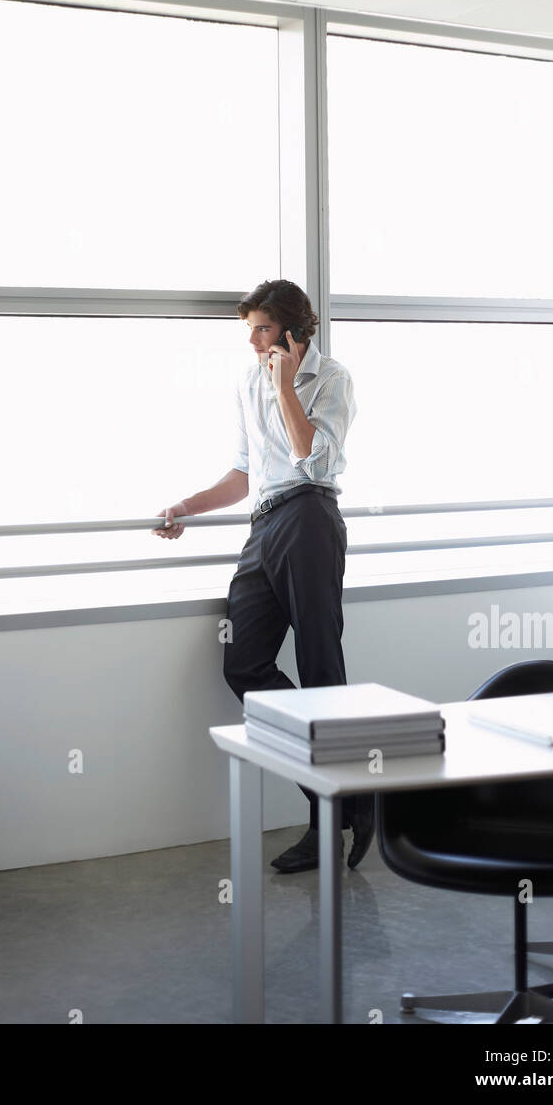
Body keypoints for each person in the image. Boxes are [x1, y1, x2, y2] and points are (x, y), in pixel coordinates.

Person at [152, 278, 375, 873]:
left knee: (322, 666)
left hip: (309, 515)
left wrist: (285, 386)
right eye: (249, 330)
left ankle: (327, 821)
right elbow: (243, 475)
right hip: (264, 524)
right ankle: (348, 788)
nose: (253, 342)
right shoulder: (249, 381)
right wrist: (184, 508)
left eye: (263, 330)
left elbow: (313, 457)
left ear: (296, 332)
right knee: (243, 663)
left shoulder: (332, 379)